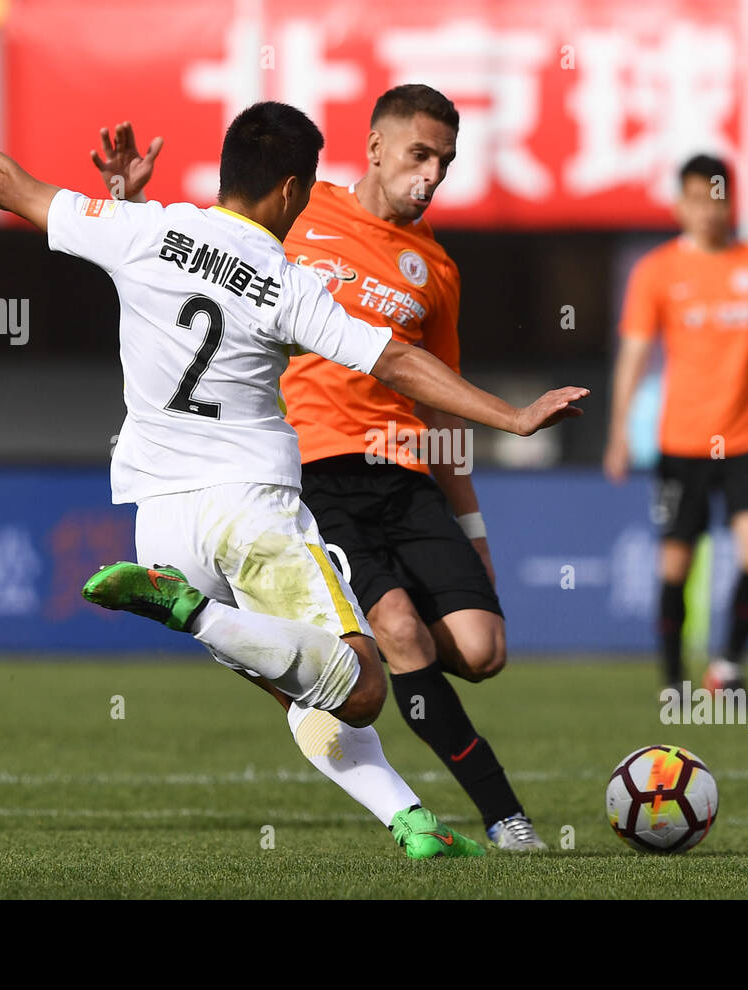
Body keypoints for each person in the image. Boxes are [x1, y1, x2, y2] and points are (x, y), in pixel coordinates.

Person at [0, 48, 587, 858]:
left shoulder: (142, 230)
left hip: (160, 527)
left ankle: (409, 821)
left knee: (304, 692)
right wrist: (509, 416)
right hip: (253, 513)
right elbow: (396, 359)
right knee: (360, 687)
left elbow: (3, 180)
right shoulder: (286, 280)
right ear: (293, 191)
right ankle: (192, 613)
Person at [89, 86, 550, 852]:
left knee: (478, 649)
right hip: (311, 471)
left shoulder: (435, 268)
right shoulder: (301, 213)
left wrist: (472, 528)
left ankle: (407, 798)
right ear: (374, 148)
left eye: (446, 161)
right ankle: (504, 817)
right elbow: (211, 256)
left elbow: (436, 404)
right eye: (419, 155)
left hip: (404, 472)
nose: (431, 175)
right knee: (395, 639)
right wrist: (135, 206)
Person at [602, 154, 748, 698]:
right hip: (681, 443)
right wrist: (618, 430)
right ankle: (672, 679)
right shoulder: (656, 271)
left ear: (732, 202)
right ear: (680, 203)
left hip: (747, 439)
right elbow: (634, 355)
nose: (708, 210)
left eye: (717, 198)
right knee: (675, 563)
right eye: (696, 199)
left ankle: (728, 663)